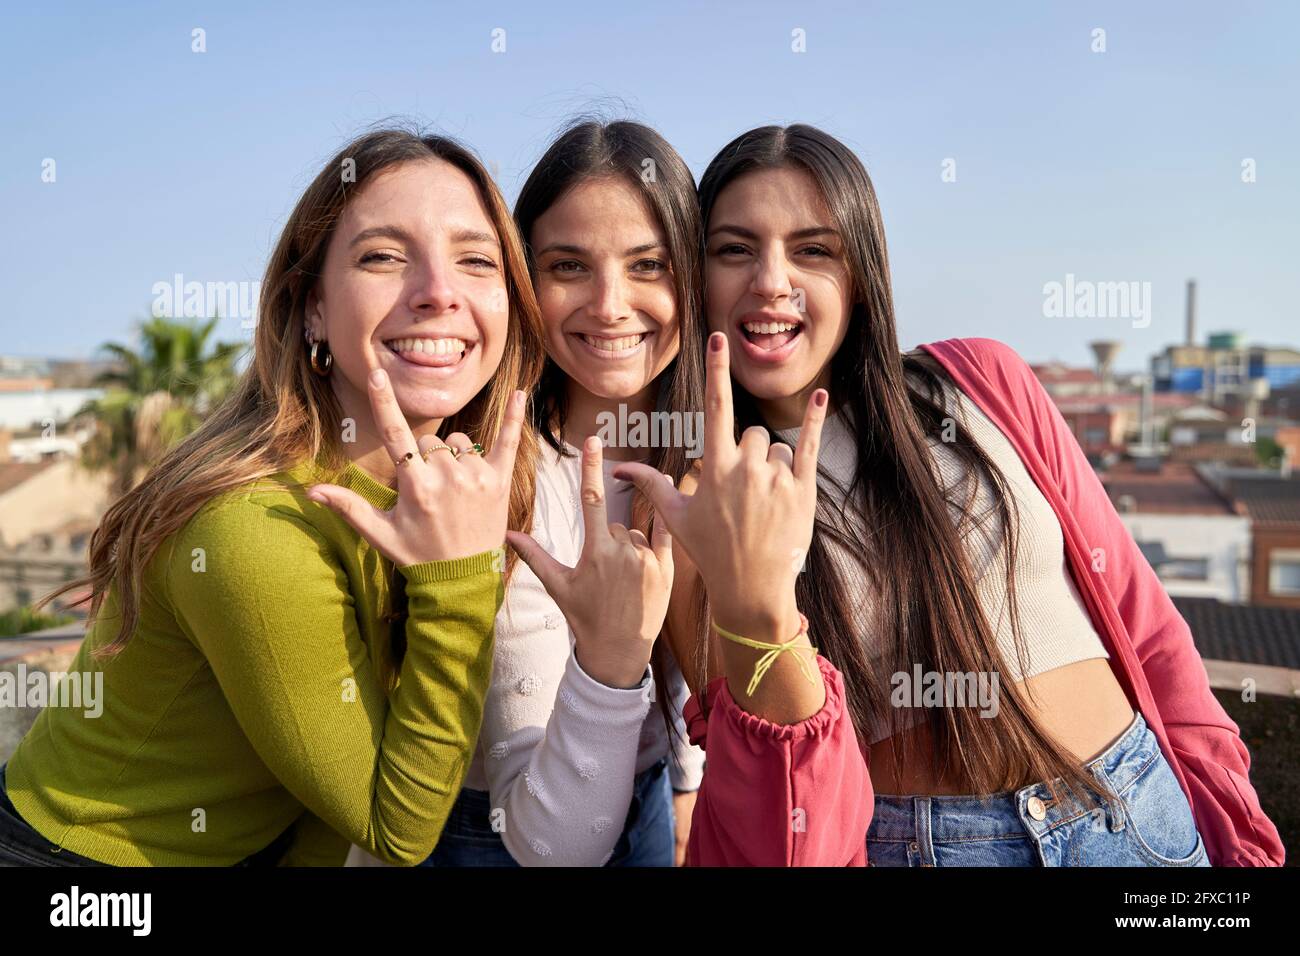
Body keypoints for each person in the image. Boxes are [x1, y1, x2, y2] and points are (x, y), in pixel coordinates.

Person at [621, 124, 1284, 867]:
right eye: (734, 250)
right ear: (694, 277)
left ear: (861, 273)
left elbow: (1147, 625)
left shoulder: (981, 381)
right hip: (923, 845)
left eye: (813, 250)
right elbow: (770, 793)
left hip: (1135, 815)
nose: (772, 280)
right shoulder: (690, 506)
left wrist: (1232, 818)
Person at [0, 128, 543, 866]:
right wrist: (461, 578)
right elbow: (396, 831)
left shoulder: (444, 483)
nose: (439, 293)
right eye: (383, 256)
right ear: (312, 308)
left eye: (476, 260)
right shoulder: (256, 528)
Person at [418, 120, 707, 867]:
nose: (611, 304)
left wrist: (683, 781)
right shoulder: (498, 472)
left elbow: (687, 657)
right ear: (525, 280)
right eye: (570, 266)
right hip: (494, 828)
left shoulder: (703, 445)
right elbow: (544, 839)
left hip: (645, 799)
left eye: (649, 265)